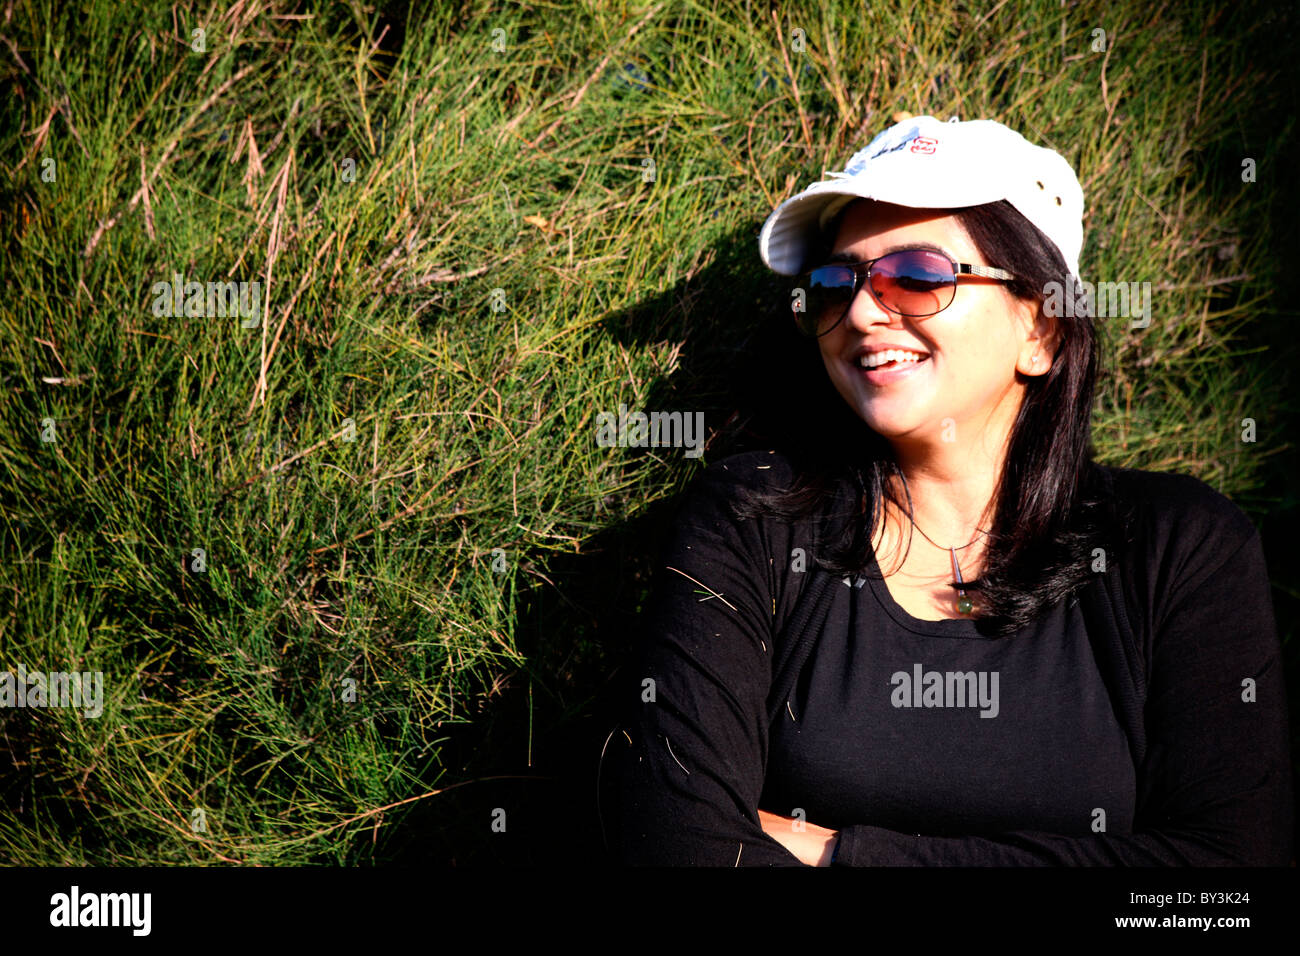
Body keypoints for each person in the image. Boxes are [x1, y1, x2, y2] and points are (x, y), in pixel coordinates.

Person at [605, 115, 1294, 865]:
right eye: (836, 284)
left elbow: (1223, 890)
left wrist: (839, 854)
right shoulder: (753, 519)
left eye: (919, 276)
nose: (862, 313)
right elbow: (673, 847)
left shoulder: (1182, 547)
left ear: (1043, 331)